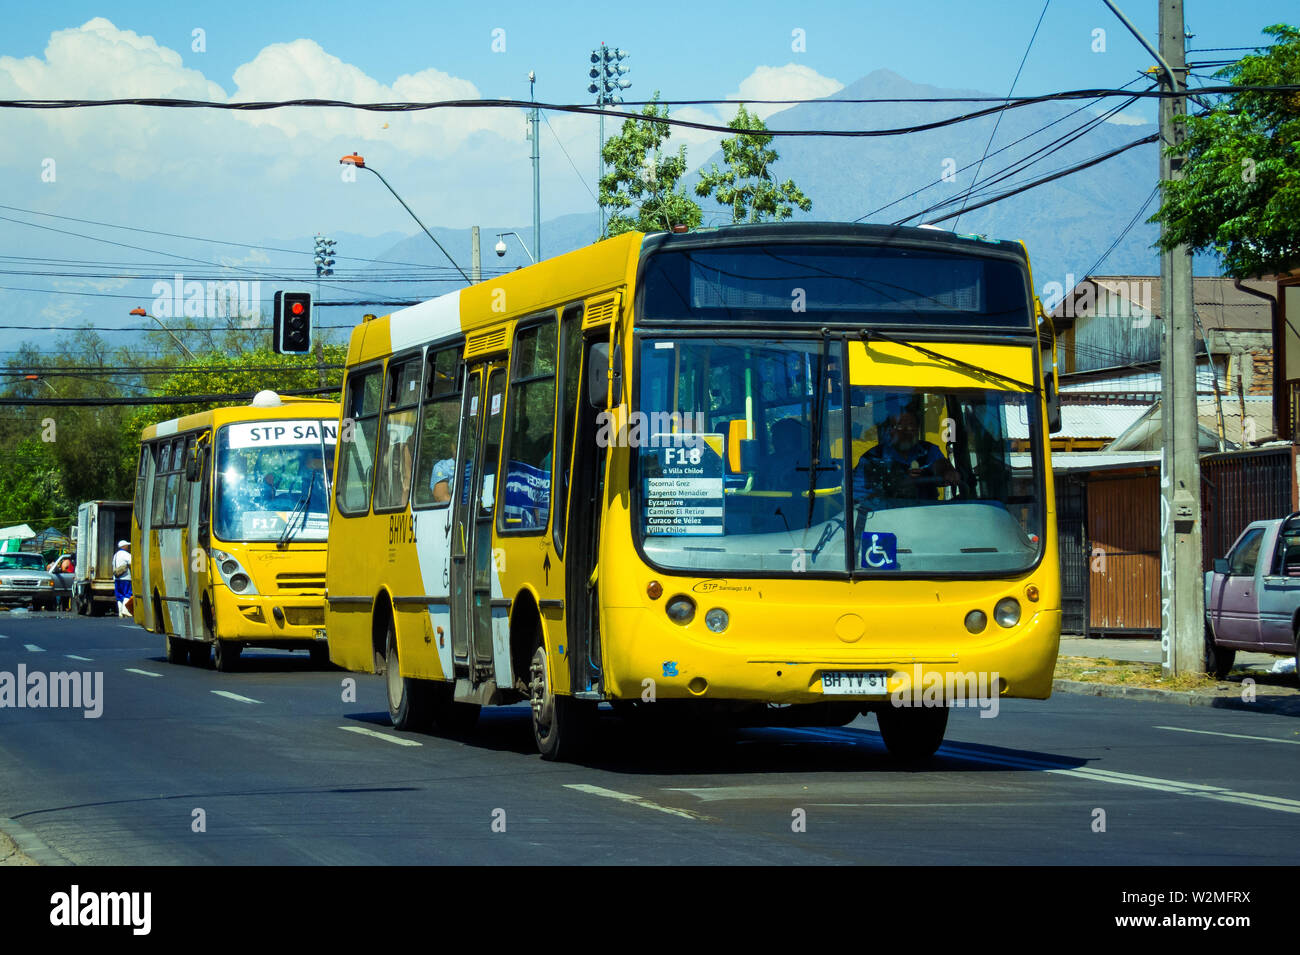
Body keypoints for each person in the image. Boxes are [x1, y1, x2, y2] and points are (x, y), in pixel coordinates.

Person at [853, 411, 959, 505]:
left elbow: (940, 464)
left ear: (918, 430)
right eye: (899, 427)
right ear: (889, 430)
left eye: (911, 427)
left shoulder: (928, 450)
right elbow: (858, 494)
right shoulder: (873, 457)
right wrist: (896, 486)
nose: (905, 432)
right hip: (886, 518)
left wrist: (948, 471)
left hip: (928, 516)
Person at [112, 540, 133, 618]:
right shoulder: (127, 555)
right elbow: (131, 563)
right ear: (124, 546)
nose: (128, 547)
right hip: (126, 577)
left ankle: (120, 612)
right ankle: (125, 610)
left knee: (119, 595)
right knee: (127, 593)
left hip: (117, 578)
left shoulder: (115, 555)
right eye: (127, 545)